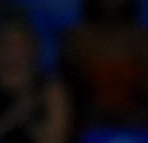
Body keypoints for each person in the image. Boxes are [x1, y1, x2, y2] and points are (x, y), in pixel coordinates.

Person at [62, 0, 148, 128]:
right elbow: (69, 88)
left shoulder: (141, 39)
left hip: (136, 117)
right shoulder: (77, 39)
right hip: (86, 118)